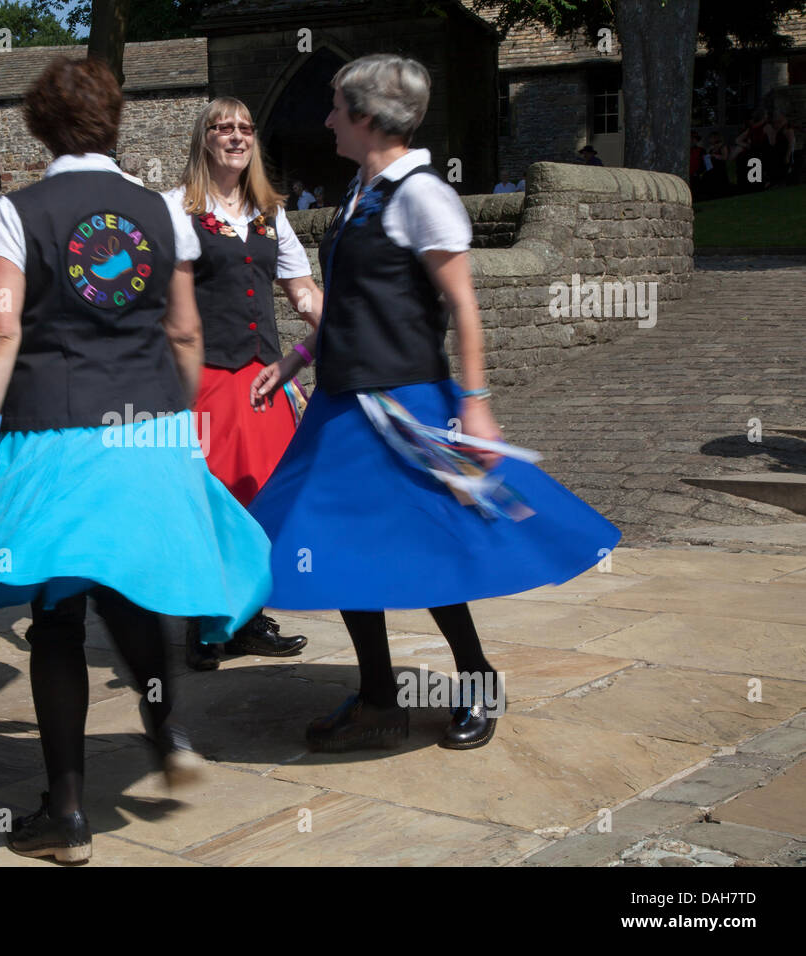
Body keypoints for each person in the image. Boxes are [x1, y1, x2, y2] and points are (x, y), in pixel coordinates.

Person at [0, 57, 272, 863]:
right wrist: (176, 418)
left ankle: (68, 816)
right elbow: (186, 333)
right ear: (116, 120)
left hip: (57, 431)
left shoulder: (17, 214)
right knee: (126, 584)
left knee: (56, 613)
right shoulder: (165, 214)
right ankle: (169, 733)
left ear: (38, 127)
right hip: (151, 430)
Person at [248, 54, 620, 753]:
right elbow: (351, 306)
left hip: (408, 407)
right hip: (341, 406)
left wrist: (475, 403)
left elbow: (463, 304)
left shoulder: (421, 195)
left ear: (364, 116)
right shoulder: (361, 188)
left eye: (334, 106)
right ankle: (378, 698)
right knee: (342, 548)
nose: (325, 117)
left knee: (428, 545)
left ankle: (477, 680)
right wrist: (295, 358)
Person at [165, 97, 322, 668]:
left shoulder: (269, 214)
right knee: (210, 504)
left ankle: (250, 619)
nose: (235, 136)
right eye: (222, 127)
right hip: (206, 380)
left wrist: (341, 331)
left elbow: (301, 291)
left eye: (244, 128)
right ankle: (205, 626)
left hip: (264, 379)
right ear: (202, 138)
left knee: (261, 499)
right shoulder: (174, 210)